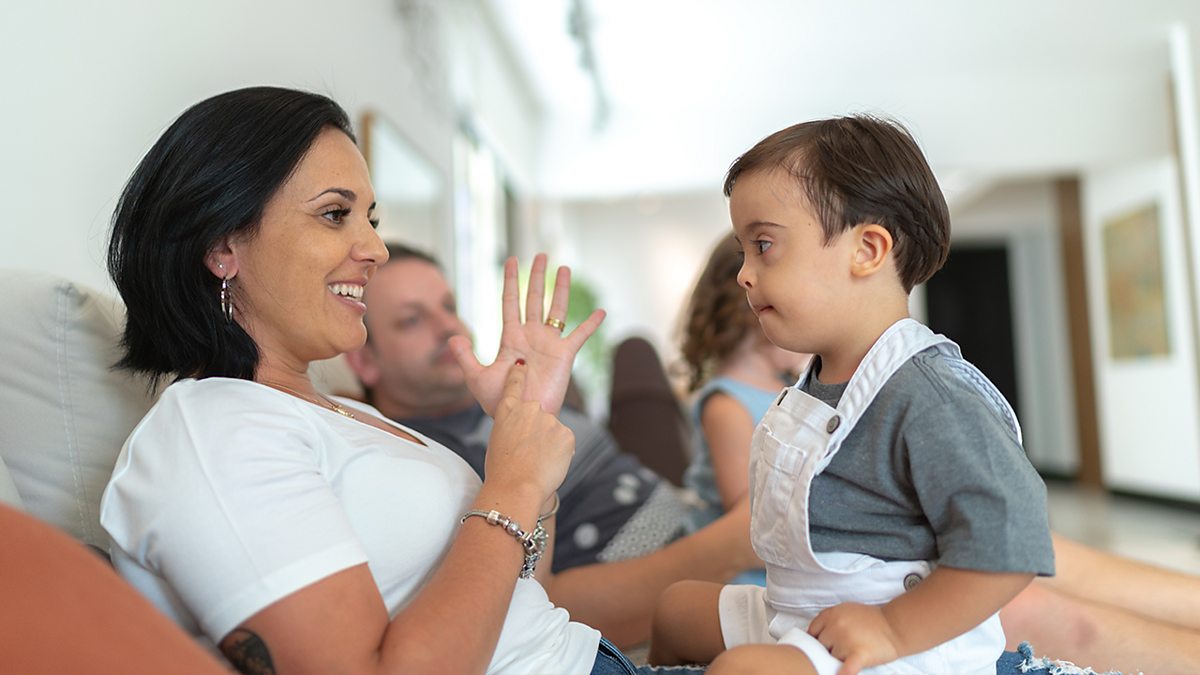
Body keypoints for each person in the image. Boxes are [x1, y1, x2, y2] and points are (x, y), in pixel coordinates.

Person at [98, 86, 694, 675]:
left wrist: (525, 424)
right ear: (222, 244)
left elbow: (521, 599)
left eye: (370, 218)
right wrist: (509, 485)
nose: (376, 249)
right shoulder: (212, 433)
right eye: (335, 214)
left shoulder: (337, 411)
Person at [649, 115, 1055, 675]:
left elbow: (1013, 545)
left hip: (905, 638)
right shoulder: (815, 380)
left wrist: (892, 628)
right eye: (743, 251)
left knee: (742, 671)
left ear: (867, 250)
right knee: (675, 610)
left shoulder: (929, 394)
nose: (744, 274)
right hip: (801, 608)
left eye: (764, 246)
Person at [343, 243, 760, 648]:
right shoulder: (426, 463)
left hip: (689, 507)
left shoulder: (508, 389)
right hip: (686, 569)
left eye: (449, 307)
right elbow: (541, 601)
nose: (448, 326)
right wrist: (735, 541)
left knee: (636, 350)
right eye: (411, 320)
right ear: (364, 362)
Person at [677, 233, 809, 585]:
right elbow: (750, 521)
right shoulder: (726, 405)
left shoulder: (786, 387)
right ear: (752, 308)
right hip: (747, 577)